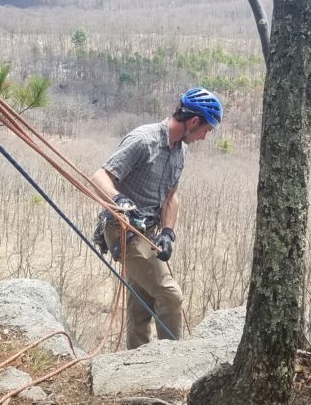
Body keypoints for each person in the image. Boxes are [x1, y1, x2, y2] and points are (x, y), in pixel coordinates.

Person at [92, 87, 223, 349]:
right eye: (206, 130)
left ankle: (134, 361)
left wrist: (167, 232)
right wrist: (119, 200)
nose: (204, 137)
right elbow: (99, 177)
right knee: (169, 295)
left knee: (141, 304)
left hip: (149, 231)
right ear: (193, 122)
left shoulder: (180, 151)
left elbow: (171, 196)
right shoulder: (144, 140)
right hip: (122, 229)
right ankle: (172, 359)